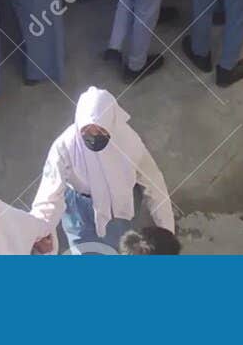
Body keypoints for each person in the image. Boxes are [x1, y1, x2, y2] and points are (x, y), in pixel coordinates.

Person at [30, 86, 174, 250]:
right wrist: (39, 231)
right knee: (84, 250)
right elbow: (49, 194)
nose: (93, 136)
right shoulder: (64, 146)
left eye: (100, 130)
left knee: (120, 247)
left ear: (111, 125)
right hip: (80, 208)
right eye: (86, 130)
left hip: (118, 206)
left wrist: (167, 230)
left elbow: (154, 184)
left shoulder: (130, 143)